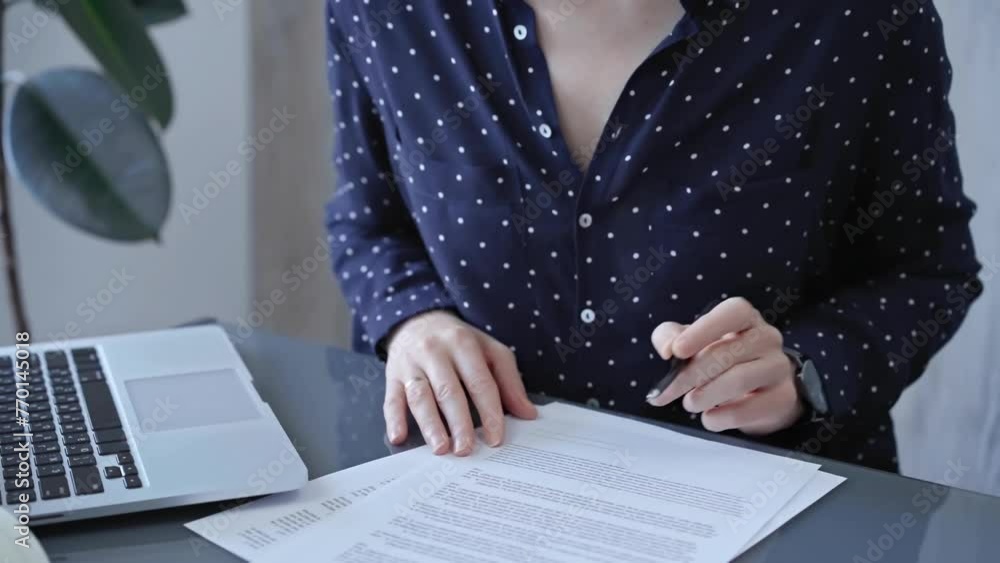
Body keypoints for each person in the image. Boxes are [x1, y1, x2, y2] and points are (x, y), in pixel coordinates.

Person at [323, 0, 981, 472]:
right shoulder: (383, 14)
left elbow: (928, 268)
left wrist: (805, 370)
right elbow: (366, 222)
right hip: (466, 490)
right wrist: (414, 319)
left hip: (767, 502)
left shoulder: (856, 20)